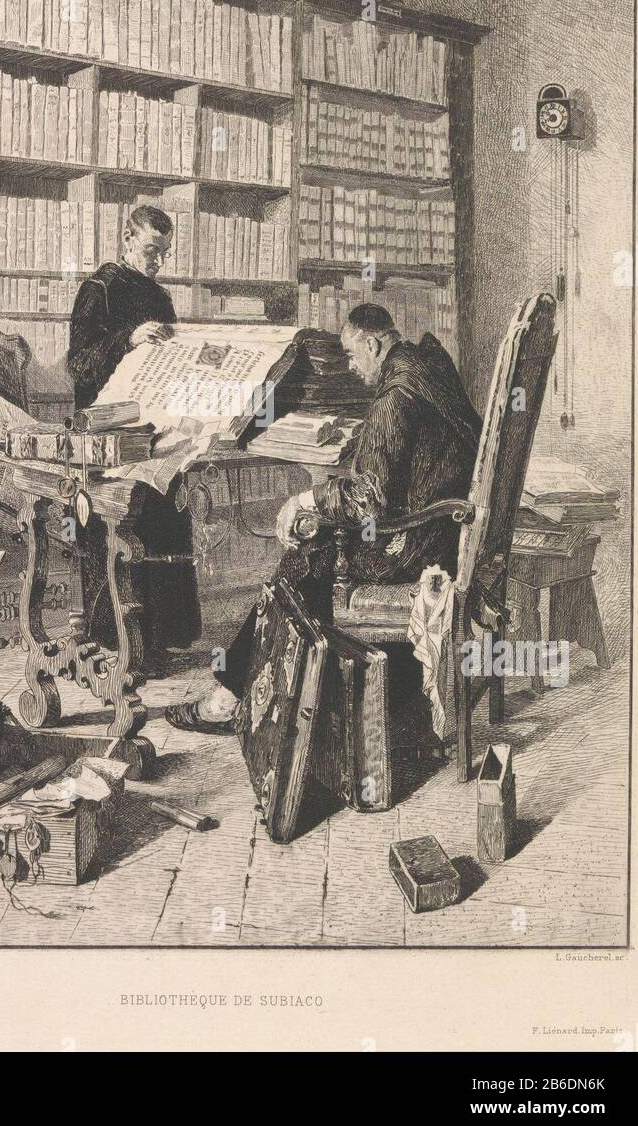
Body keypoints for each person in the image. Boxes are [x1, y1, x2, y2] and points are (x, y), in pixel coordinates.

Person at [165, 302, 482, 733]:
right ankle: (288, 689)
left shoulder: (395, 398)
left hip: (413, 545)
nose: (351, 367)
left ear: (373, 344)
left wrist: (306, 499)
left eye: (353, 354)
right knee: (313, 543)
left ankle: (238, 698)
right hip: (447, 530)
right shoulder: (430, 366)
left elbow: (368, 502)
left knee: (306, 549)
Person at [68, 204, 200, 652]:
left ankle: (162, 638)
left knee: (164, 522)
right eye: (149, 251)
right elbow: (79, 365)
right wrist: (127, 339)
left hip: (157, 428)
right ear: (126, 242)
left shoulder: (161, 298)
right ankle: (115, 641)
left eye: (164, 253)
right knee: (120, 529)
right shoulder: (98, 290)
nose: (157, 262)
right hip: (109, 433)